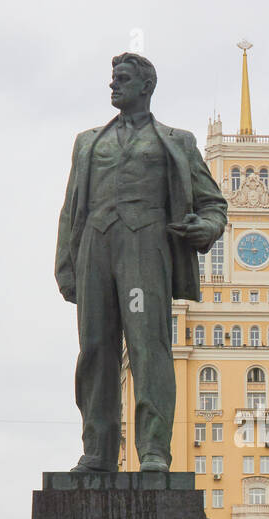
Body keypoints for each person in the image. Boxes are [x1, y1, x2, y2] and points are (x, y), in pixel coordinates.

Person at [54, 52, 228, 473]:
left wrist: (206, 228)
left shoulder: (176, 141)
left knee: (149, 347)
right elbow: (70, 208)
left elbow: (214, 204)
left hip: (146, 249)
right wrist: (65, 263)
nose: (113, 85)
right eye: (112, 79)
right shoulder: (87, 142)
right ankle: (97, 451)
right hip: (95, 248)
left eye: (122, 79)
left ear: (145, 86)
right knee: (94, 349)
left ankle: (153, 450)